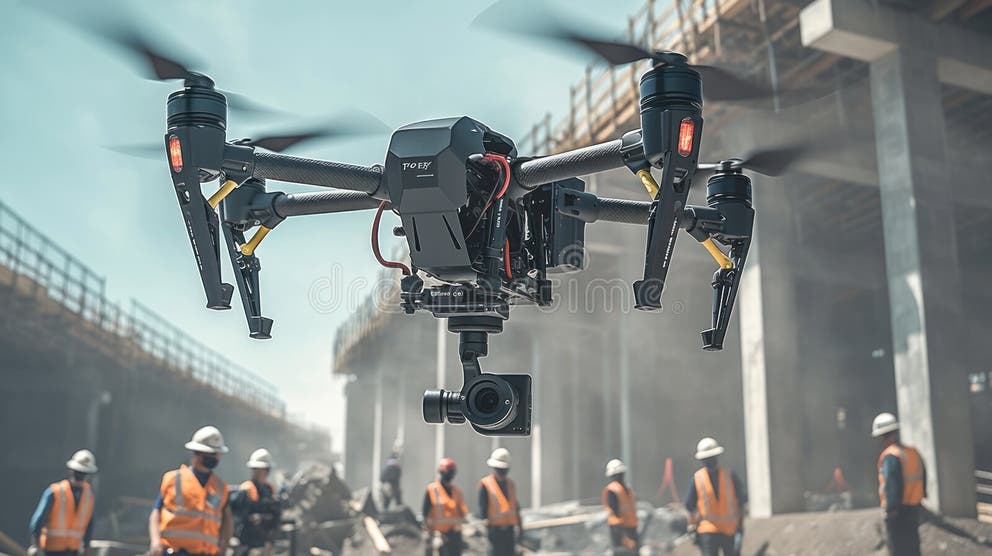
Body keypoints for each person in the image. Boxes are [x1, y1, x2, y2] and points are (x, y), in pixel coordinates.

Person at [149, 426, 233, 556]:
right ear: (198, 452)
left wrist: (223, 548)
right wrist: (155, 542)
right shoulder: (173, 479)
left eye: (218, 453)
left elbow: (227, 520)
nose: (217, 457)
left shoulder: (221, 487)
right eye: (212, 453)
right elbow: (156, 512)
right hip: (175, 552)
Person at [872, 412, 926, 556]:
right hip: (914, 509)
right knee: (913, 549)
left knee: (898, 550)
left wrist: (891, 510)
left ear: (883, 436)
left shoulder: (891, 456)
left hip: (898, 513)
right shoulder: (911, 452)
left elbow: (892, 485)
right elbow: (922, 477)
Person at [684, 437, 746, 556]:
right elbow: (690, 506)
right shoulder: (698, 479)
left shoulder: (730, 476)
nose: (709, 461)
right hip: (709, 530)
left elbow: (741, 501)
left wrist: (740, 525)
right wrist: (692, 527)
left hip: (729, 529)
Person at [29, 450, 98, 556]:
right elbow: (37, 522)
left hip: (73, 551)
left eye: (83, 474)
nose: (80, 477)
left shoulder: (89, 496)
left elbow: (89, 524)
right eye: (78, 473)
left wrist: (86, 547)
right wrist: (36, 547)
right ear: (71, 471)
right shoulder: (54, 492)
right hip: (50, 551)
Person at [230, 449, 281, 556]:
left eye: (262, 469)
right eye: (256, 469)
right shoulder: (245, 490)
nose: (258, 473)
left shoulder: (270, 490)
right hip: (247, 545)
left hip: (264, 545)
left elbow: (276, 517)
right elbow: (238, 519)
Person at [477, 448, 521, 556]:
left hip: (509, 533)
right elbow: (483, 510)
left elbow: (515, 507)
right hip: (495, 533)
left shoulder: (510, 484)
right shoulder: (486, 484)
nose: (501, 472)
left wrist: (520, 527)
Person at [422, 457, 468, 556]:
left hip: (455, 537)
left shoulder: (457, 491)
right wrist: (430, 535)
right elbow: (425, 514)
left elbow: (463, 514)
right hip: (438, 536)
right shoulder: (431, 490)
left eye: (451, 472)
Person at [601, 459, 638, 553]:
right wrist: (624, 537)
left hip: (630, 529)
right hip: (619, 531)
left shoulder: (626, 489)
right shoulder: (613, 490)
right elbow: (615, 513)